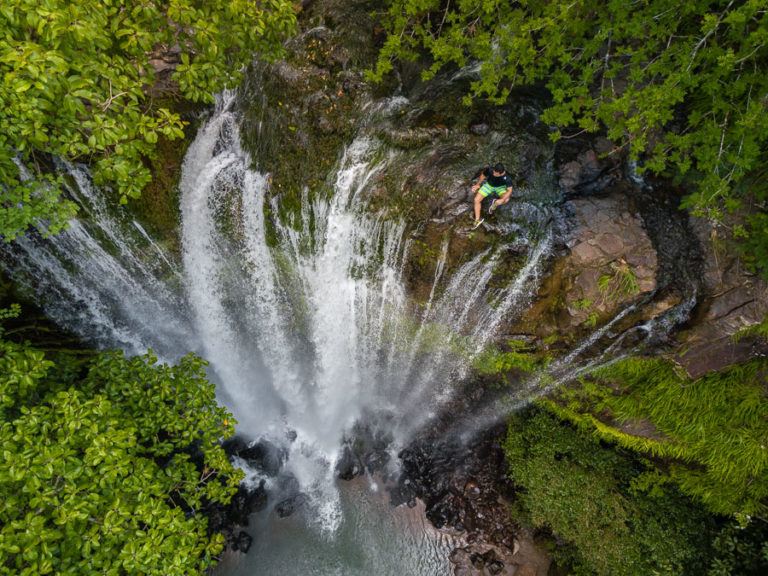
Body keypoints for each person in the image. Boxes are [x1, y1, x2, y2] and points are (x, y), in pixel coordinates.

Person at [470, 163, 514, 228]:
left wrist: (502, 199)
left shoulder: (507, 178)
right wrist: (478, 184)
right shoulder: (490, 170)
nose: (493, 173)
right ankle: (477, 220)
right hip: (489, 185)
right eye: (493, 171)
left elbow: (509, 190)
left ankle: (495, 204)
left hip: (500, 187)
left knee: (506, 199)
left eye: (495, 173)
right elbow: (483, 175)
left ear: (501, 173)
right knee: (476, 200)